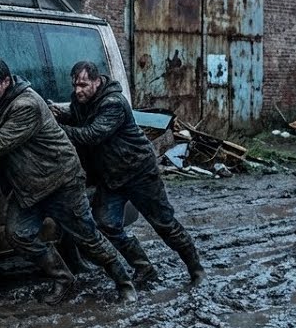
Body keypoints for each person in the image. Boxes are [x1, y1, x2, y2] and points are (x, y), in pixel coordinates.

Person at [0, 58, 136, 304]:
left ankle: (125, 285)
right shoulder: (1, 101)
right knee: (19, 234)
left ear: (6, 82)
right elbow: (5, 130)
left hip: (60, 182)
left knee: (89, 239)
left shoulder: (26, 104)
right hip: (31, 187)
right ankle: (64, 279)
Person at [53, 61, 206, 286]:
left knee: (164, 224)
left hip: (139, 172)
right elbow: (77, 118)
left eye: (84, 85)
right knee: (106, 223)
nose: (78, 90)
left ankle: (196, 270)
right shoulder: (81, 101)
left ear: (97, 81)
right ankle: (144, 268)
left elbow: (92, 134)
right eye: (75, 85)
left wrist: (56, 128)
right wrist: (55, 112)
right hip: (112, 177)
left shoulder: (113, 103)